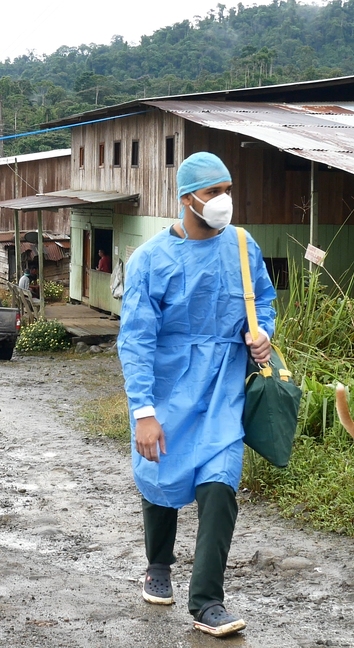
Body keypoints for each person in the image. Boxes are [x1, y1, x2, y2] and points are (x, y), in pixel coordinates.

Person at [118, 151, 275, 638]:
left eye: (229, 190)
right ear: (187, 198)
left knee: (220, 484)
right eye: (213, 192)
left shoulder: (244, 247)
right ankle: (158, 565)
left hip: (223, 390)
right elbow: (136, 339)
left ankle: (207, 601)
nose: (224, 201)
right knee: (161, 474)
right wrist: (144, 410)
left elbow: (263, 302)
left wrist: (262, 334)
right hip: (165, 392)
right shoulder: (150, 260)